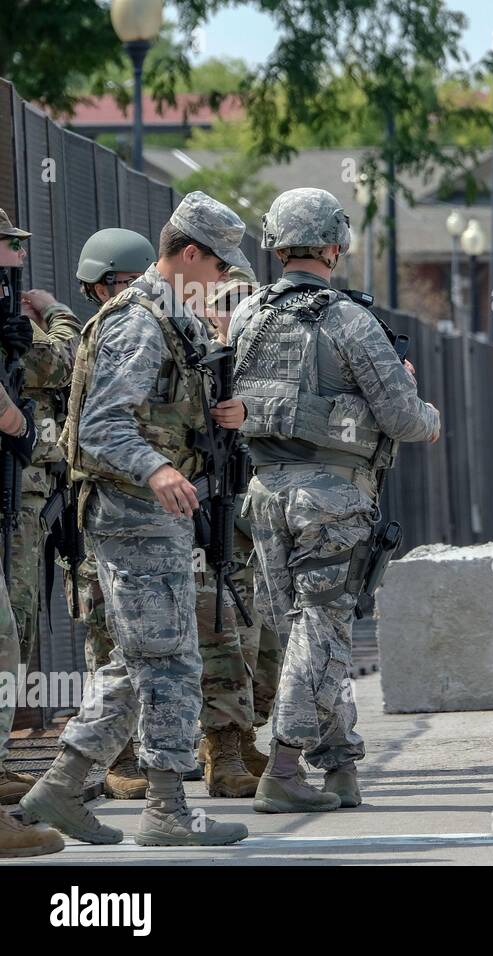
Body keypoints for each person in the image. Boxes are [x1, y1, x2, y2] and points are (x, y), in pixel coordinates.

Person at [22, 192, 252, 846]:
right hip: (133, 512)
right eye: (217, 264)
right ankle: (166, 811)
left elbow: (158, 411)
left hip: (153, 514)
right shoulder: (141, 322)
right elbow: (101, 427)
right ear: (187, 253)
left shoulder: (169, 318)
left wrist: (218, 418)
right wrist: (156, 468)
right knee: (170, 658)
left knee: (135, 660)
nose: (223, 277)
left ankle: (59, 789)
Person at [229, 187, 440, 814]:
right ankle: (284, 767)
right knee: (320, 631)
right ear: (332, 246)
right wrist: (428, 413)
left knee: (306, 632)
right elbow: (402, 419)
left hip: (264, 494)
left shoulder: (246, 317)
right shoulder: (350, 320)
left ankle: (341, 764)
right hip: (331, 498)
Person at [65, 227, 157, 800]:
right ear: (99, 285)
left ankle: (134, 752)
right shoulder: (97, 335)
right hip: (100, 500)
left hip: (130, 499)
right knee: (107, 636)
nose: (133, 292)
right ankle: (111, 760)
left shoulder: (135, 330)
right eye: (123, 282)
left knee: (139, 641)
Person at [193, 266, 278, 796]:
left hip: (260, 522)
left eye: (245, 301)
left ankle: (244, 736)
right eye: (226, 302)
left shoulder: (268, 363)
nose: (235, 313)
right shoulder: (197, 361)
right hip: (212, 519)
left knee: (266, 645)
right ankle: (222, 750)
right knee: (225, 636)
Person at [0, 207, 64, 857]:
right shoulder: (19, 316)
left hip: (20, 493)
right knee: (7, 632)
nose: (16, 255)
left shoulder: (12, 313)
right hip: (15, 494)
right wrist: (58, 315)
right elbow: (64, 364)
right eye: (7, 246)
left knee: (12, 630)